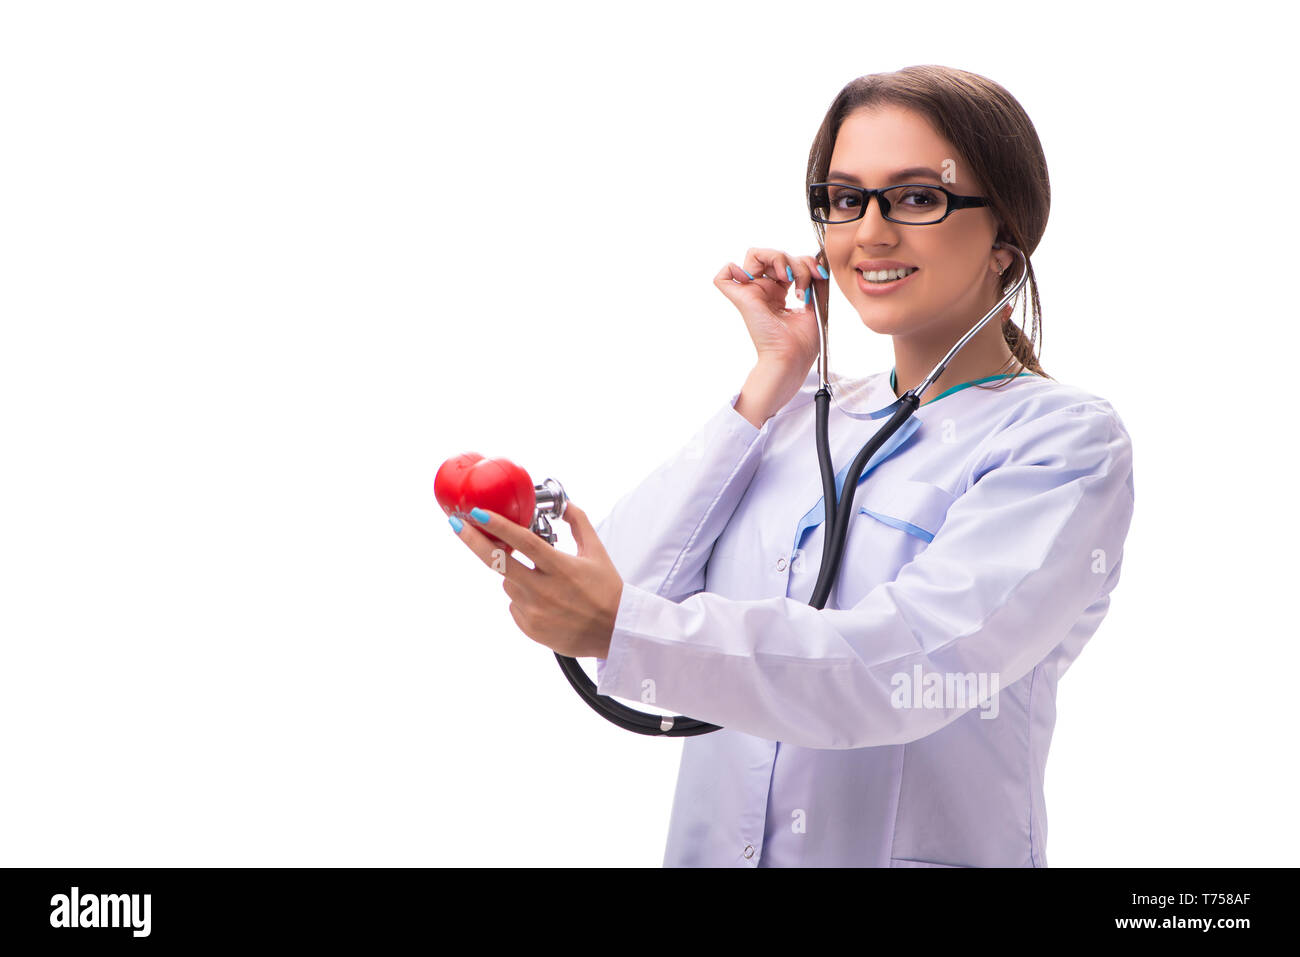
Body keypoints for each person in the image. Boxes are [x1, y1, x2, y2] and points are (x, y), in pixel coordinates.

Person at [449, 64, 1135, 867]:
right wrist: (770, 376)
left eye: (917, 197)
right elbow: (620, 598)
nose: (869, 233)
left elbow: (910, 663)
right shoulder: (800, 413)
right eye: (846, 200)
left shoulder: (1064, 443)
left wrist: (620, 622)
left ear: (1006, 239)